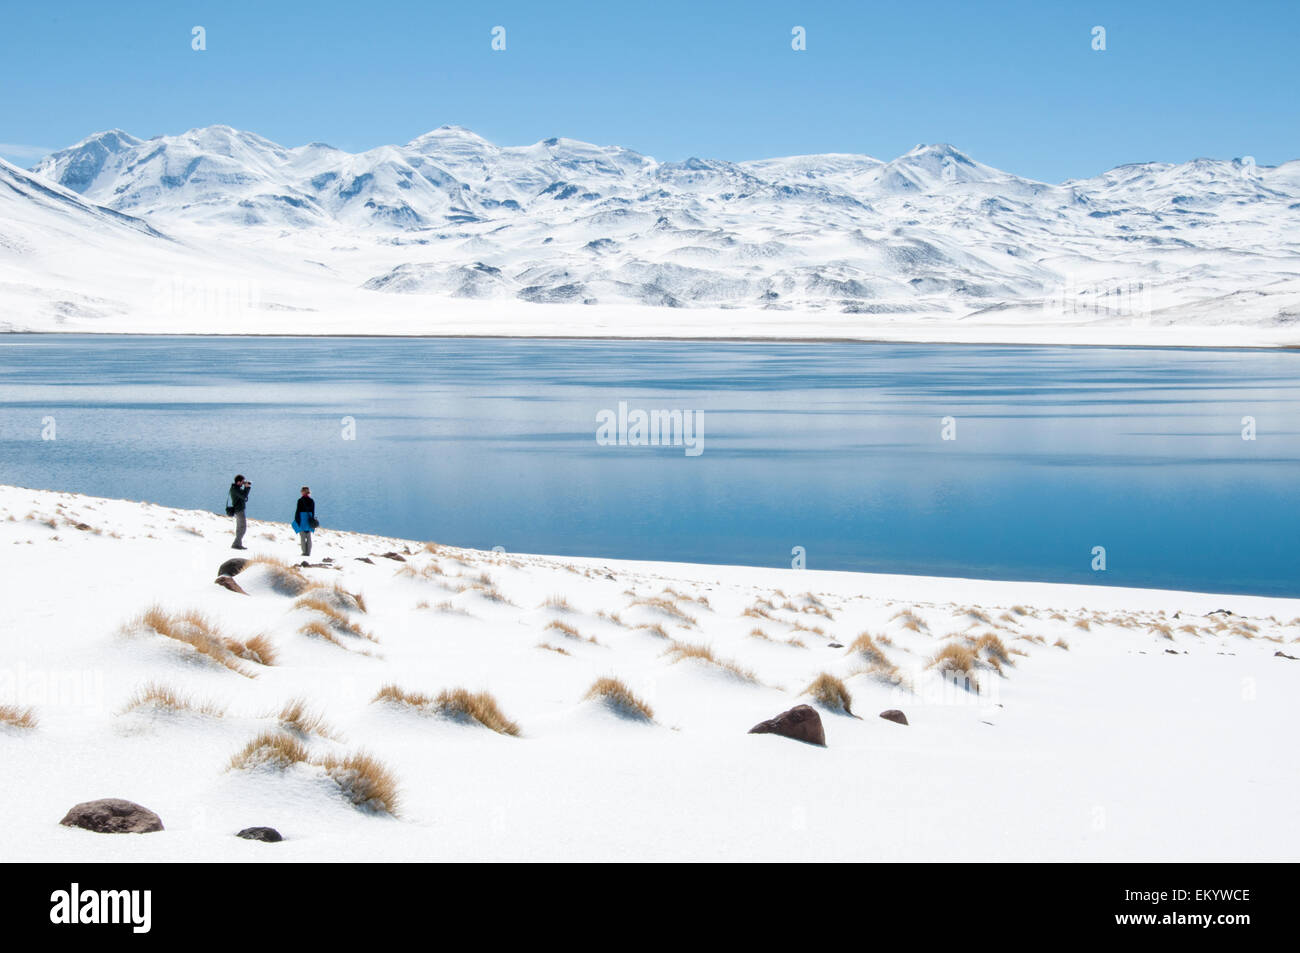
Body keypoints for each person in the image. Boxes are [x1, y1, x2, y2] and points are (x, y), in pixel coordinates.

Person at [292, 486, 317, 557]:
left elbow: (297, 511)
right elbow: (313, 512)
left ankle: (304, 552)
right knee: (308, 537)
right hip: (309, 520)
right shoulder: (312, 501)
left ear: (303, 492)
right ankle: (308, 552)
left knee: (302, 537)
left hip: (302, 520)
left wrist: (297, 520)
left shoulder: (300, 500)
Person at [229, 475, 251, 549]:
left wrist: (246, 487)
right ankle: (236, 544)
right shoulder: (235, 489)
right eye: (242, 482)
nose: (243, 483)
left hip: (239, 510)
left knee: (239, 528)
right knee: (243, 528)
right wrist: (247, 487)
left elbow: (243, 496)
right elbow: (244, 496)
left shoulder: (236, 488)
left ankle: (238, 544)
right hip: (239, 510)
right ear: (238, 482)